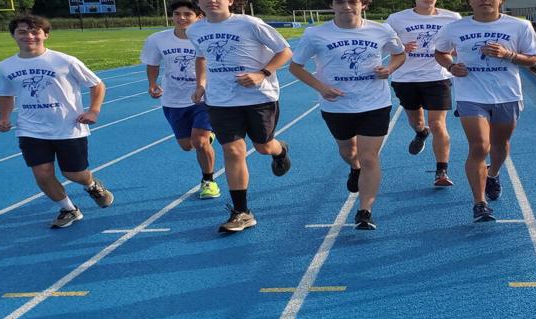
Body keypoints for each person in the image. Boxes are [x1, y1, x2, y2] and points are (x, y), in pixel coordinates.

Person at [288, 0, 405, 230]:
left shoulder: (381, 30)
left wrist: (389, 69)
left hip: (374, 104)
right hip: (337, 106)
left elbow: (399, 55)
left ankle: (365, 211)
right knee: (348, 151)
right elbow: (295, 67)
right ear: (332, 5)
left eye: (353, 1)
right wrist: (321, 87)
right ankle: (354, 168)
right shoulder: (316, 34)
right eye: (340, 1)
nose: (347, 6)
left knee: (369, 156)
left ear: (364, 4)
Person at [0, 14, 114, 229]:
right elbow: (5, 94)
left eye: (35, 31)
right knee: (42, 174)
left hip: (68, 127)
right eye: (22, 32)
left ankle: (92, 185)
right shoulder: (4, 67)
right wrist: (3, 118)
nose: (29, 36)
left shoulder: (65, 61)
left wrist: (93, 111)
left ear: (45, 35)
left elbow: (97, 85)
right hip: (30, 129)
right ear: (13, 36)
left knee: (73, 173)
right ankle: (69, 209)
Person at [430, 0, 536, 222]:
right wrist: (451, 66)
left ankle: (493, 173)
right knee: (479, 146)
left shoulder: (520, 26)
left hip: (507, 96)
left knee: (500, 145)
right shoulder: (455, 27)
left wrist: (508, 55)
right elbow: (440, 52)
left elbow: (533, 60)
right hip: (471, 95)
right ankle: (480, 203)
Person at [189, 0, 294, 233]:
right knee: (233, 151)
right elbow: (201, 57)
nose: (212, 0)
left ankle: (280, 150)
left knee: (263, 147)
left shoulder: (250, 24)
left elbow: (285, 51)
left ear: (230, 1)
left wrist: (262, 73)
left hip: (259, 97)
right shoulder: (195, 29)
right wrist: (201, 84)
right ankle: (242, 212)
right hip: (220, 100)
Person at [142, 0, 219, 199]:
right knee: (187, 145)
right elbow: (152, 63)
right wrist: (152, 83)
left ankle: (208, 181)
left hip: (205, 97)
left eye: (187, 14)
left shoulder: (206, 37)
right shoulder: (158, 39)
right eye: (177, 14)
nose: (181, 18)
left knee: (199, 141)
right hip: (173, 99)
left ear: (199, 16)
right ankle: (208, 136)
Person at [386, 0, 461, 187]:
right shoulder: (396, 19)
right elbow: (381, 44)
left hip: (437, 77)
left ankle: (441, 171)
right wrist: (400, 47)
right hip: (405, 78)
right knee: (417, 122)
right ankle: (421, 133)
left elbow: (461, 45)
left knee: (437, 123)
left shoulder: (452, 18)